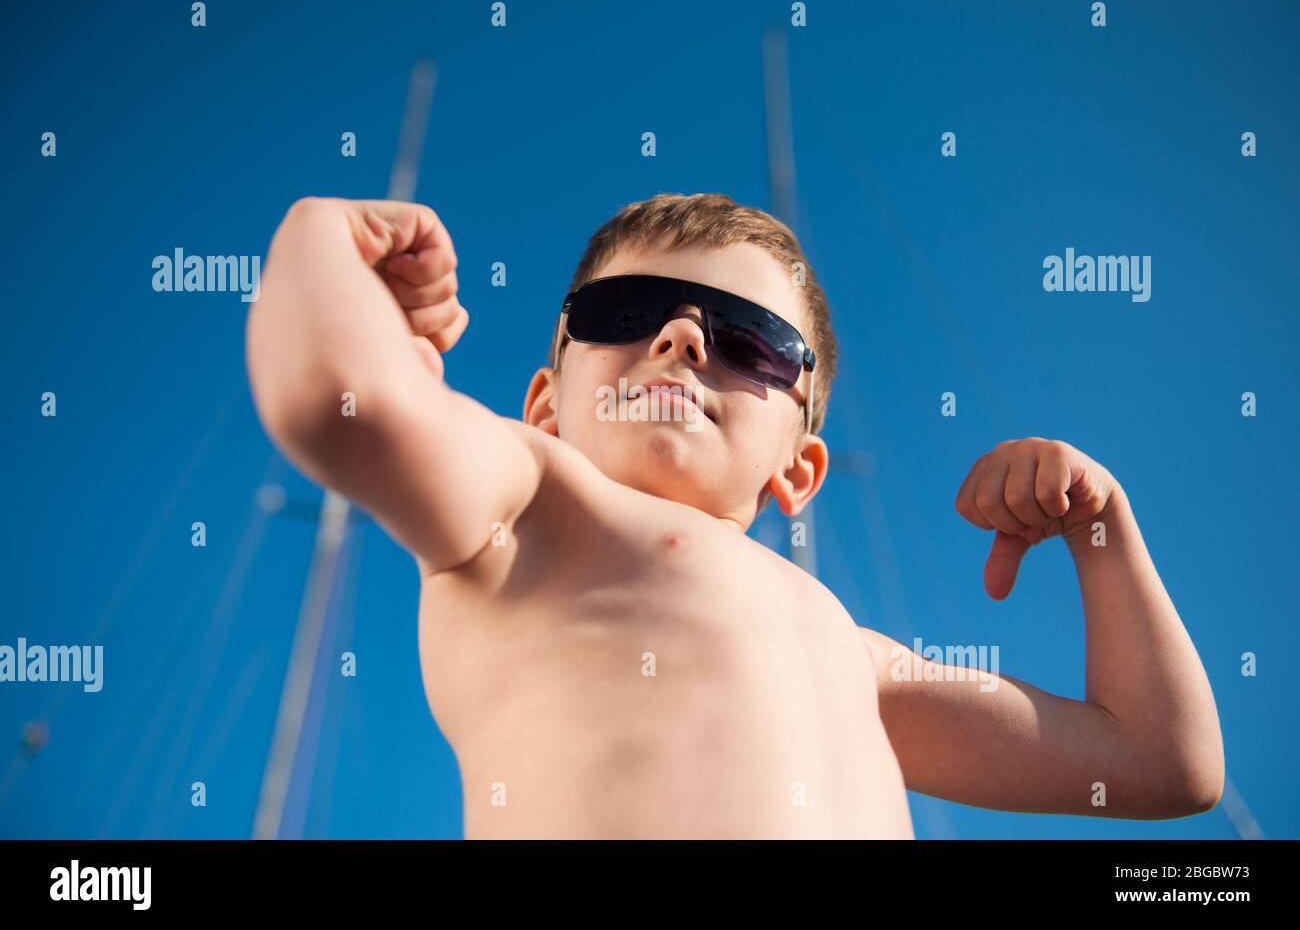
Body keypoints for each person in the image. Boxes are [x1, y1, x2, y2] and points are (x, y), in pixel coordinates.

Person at [246, 192, 1224, 838]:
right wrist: (319, 236)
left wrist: (1102, 528)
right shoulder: (529, 501)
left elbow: (1157, 760)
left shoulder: (853, 653)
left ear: (797, 469)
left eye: (752, 343)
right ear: (544, 403)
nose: (679, 337)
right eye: (628, 310)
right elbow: (343, 398)